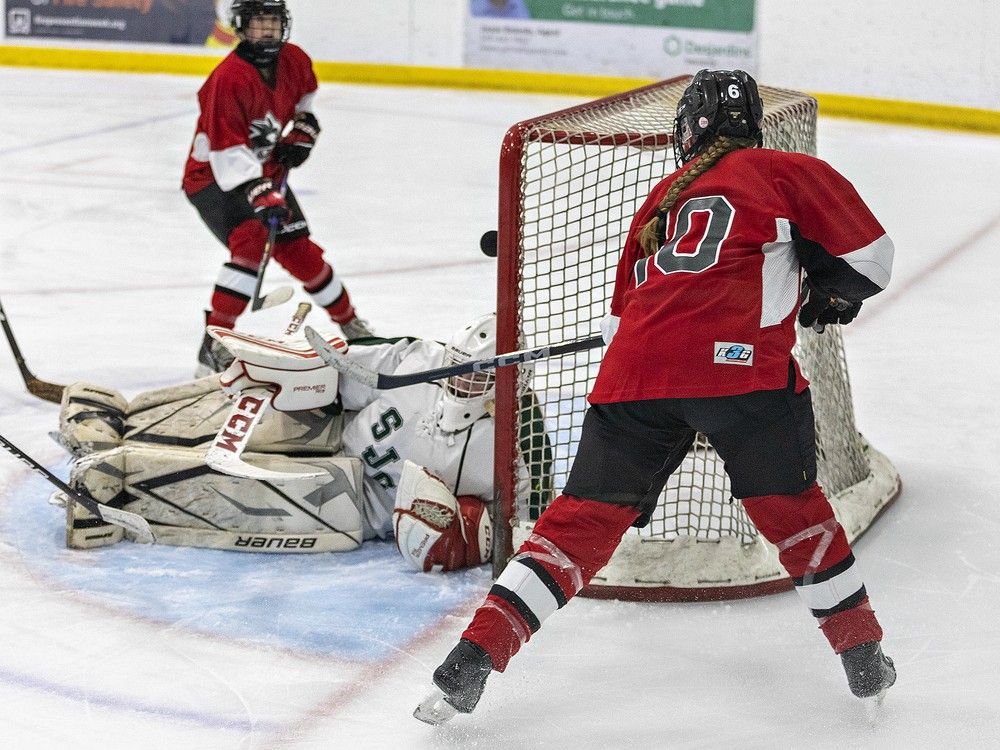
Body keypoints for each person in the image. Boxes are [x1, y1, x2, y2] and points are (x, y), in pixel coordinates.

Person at [415, 69, 897, 725]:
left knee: (577, 525)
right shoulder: (780, 168)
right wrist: (825, 294)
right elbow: (871, 259)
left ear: (687, 130)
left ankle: (470, 661)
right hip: (744, 379)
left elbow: (619, 328)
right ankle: (864, 657)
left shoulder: (661, 199)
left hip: (632, 381)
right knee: (794, 515)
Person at [56, 314, 552, 572]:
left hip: (363, 504)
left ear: (506, 388)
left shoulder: (516, 448)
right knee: (265, 405)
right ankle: (121, 416)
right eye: (456, 364)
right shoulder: (421, 357)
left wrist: (477, 531)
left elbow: (526, 525)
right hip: (339, 430)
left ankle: (117, 487)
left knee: (249, 489)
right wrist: (296, 373)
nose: (456, 381)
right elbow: (344, 372)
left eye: (473, 377)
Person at [182, 0, 371, 378]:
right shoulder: (227, 79)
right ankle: (216, 343)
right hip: (214, 178)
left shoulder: (296, 60)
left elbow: (305, 103)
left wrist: (304, 129)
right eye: (258, 23)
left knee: (300, 251)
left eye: (272, 22)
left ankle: (352, 325)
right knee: (251, 240)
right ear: (241, 27)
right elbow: (227, 154)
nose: (267, 30)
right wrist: (259, 190)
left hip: (264, 172)